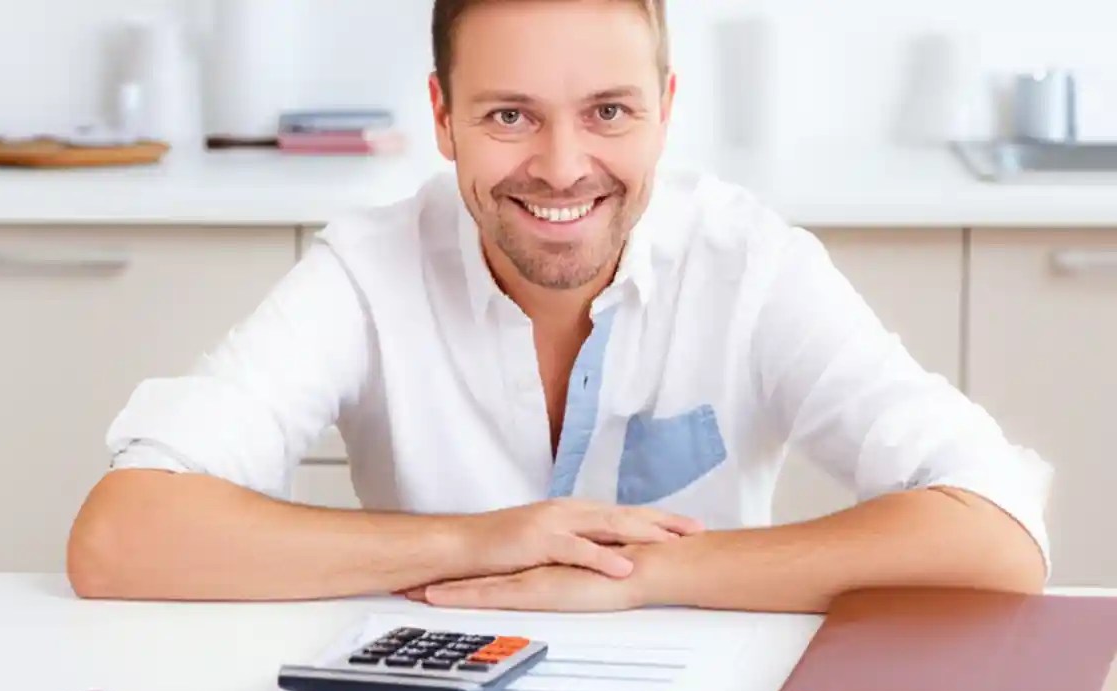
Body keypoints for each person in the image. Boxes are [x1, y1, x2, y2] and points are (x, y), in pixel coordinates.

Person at [66, 0, 1050, 613]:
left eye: (608, 112)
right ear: (443, 117)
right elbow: (121, 537)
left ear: (665, 110)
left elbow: (995, 533)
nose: (562, 166)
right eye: (509, 115)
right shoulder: (366, 272)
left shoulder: (751, 265)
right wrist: (479, 539)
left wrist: (645, 576)